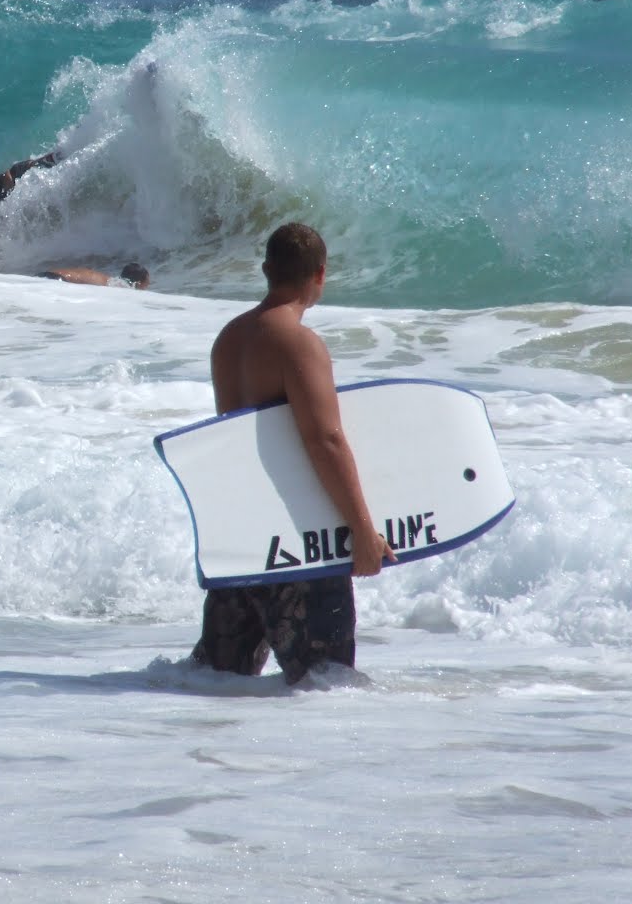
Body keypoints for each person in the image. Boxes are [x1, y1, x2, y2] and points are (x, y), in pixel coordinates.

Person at [191, 222, 395, 685]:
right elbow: (324, 440)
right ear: (320, 274)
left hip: (242, 539)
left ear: (266, 270)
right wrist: (362, 530)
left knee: (216, 686)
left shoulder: (228, 339)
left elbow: (240, 444)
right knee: (326, 687)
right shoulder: (299, 343)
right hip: (295, 543)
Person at [40, 262, 150, 289]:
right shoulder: (120, 287)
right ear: (139, 283)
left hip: (46, 276)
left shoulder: (109, 280)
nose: (148, 286)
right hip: (56, 280)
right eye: (147, 282)